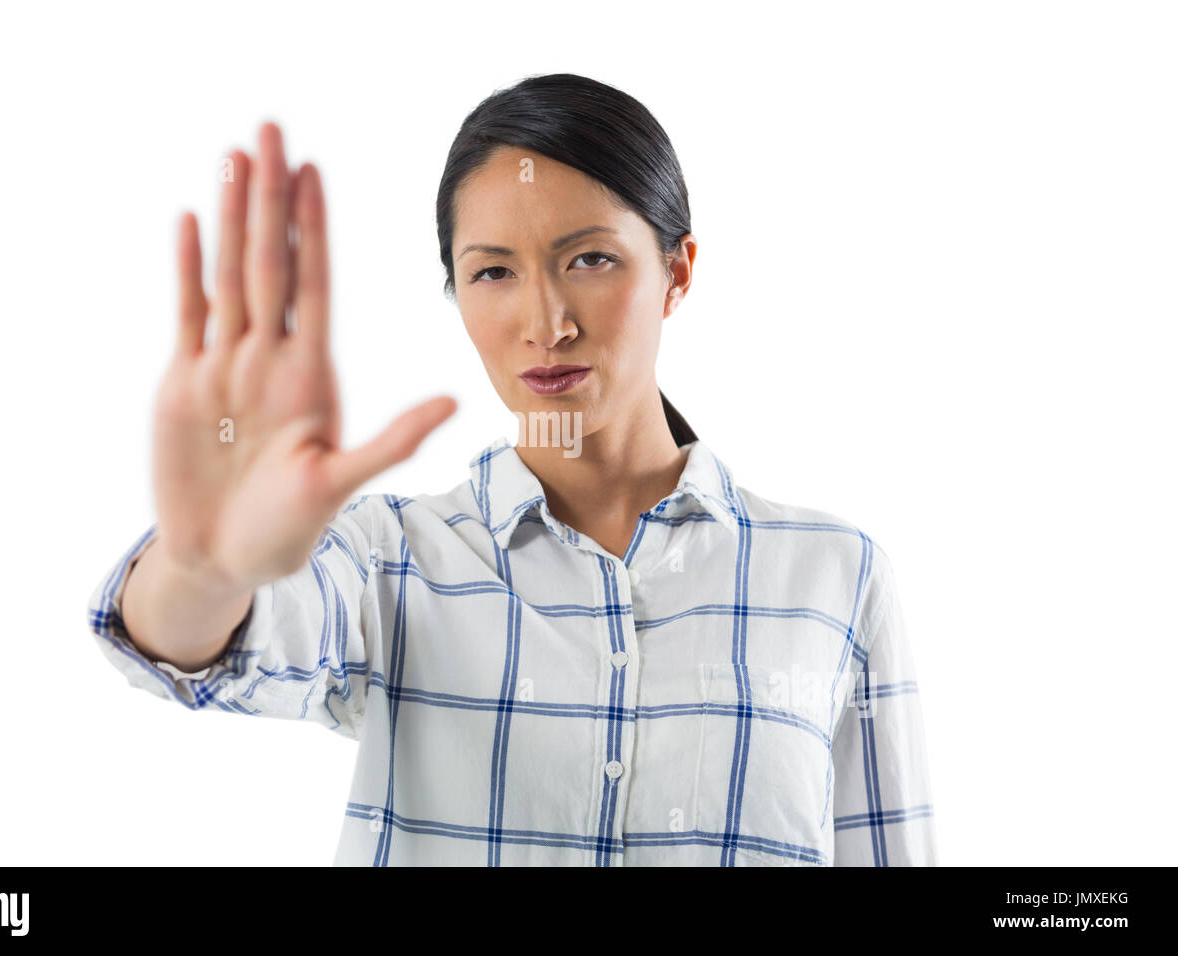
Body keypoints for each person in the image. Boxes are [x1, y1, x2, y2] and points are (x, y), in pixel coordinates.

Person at [86, 73, 938, 867]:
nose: (546, 322)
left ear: (677, 271)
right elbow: (203, 644)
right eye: (493, 271)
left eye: (591, 259)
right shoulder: (392, 559)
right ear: (457, 294)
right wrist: (205, 565)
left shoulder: (836, 575)